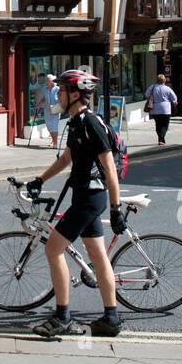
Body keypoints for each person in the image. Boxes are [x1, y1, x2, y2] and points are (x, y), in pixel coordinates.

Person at [24, 69, 124, 339]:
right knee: (96, 254)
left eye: (62, 90)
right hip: (83, 196)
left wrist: (115, 210)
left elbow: (110, 170)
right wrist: (39, 180)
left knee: (54, 249)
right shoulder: (76, 123)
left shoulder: (91, 123)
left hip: (91, 198)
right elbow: (66, 158)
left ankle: (62, 317)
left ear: (76, 94)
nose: (57, 94)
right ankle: (110, 318)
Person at [145, 74, 177, 145]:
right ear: (164, 81)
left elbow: (147, 94)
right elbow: (174, 97)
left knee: (158, 124)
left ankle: (160, 138)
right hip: (165, 109)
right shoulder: (167, 88)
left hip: (155, 108)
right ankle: (161, 138)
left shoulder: (152, 87)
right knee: (165, 124)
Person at [42, 74, 61, 150]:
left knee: (54, 126)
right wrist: (38, 105)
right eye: (46, 80)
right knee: (49, 126)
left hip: (56, 109)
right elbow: (44, 98)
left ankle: (55, 143)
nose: (46, 82)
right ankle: (53, 140)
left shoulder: (58, 89)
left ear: (52, 81)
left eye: (48, 80)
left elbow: (62, 99)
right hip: (47, 109)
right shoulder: (45, 89)